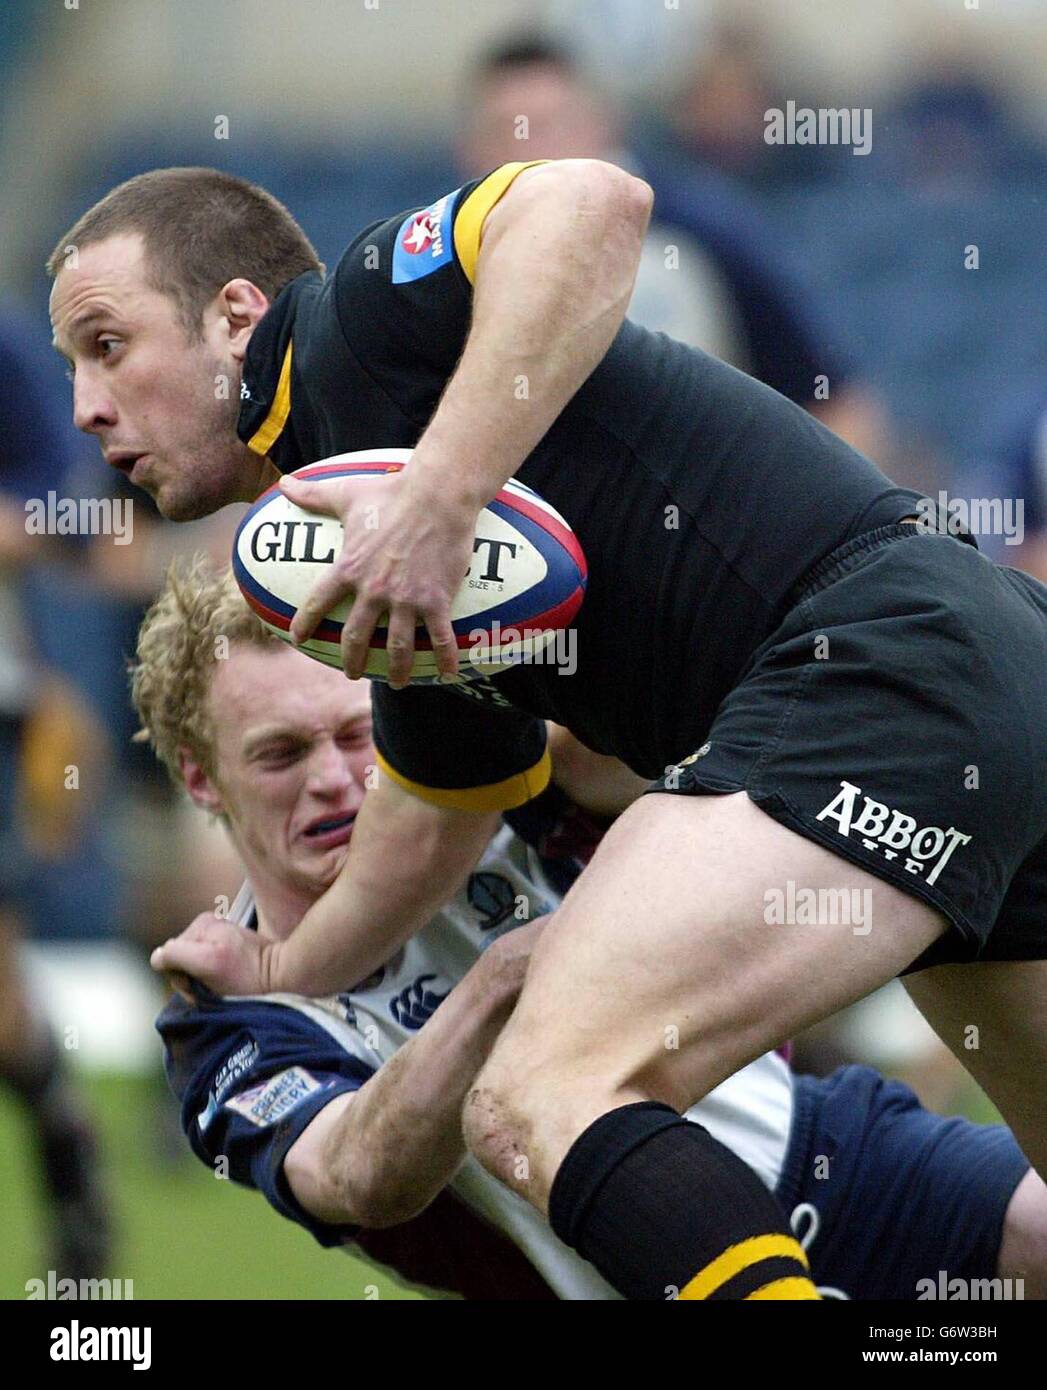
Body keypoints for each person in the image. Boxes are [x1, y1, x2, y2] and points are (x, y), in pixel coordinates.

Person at [50, 160, 1047, 1301]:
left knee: (545, 1088)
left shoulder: (348, 335)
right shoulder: (386, 570)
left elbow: (592, 202)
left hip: (883, 659)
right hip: (992, 670)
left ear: (236, 316)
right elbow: (426, 833)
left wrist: (444, 492)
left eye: (107, 344)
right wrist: (279, 968)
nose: (83, 404)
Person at [137, 560, 1044, 1300]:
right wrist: (507, 977)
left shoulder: (494, 787)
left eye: (354, 735)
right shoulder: (223, 1015)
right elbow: (361, 1176)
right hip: (618, 1273)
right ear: (203, 778)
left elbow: (689, 730)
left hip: (838, 1163)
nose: (334, 781)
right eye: (280, 756)